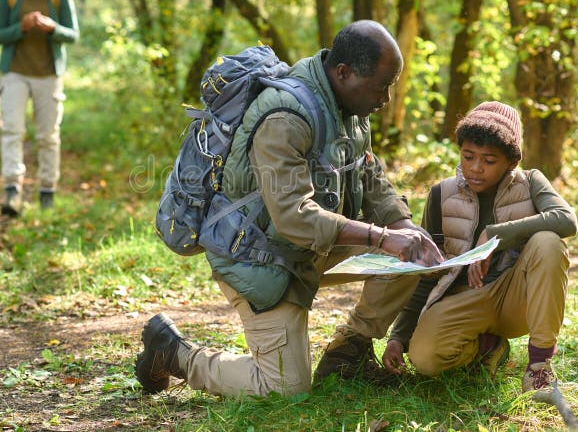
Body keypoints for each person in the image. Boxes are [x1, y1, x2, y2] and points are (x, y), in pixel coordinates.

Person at [135, 20, 443, 397]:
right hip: (259, 256)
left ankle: (348, 353)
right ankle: (174, 354)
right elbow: (294, 216)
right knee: (286, 388)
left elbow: (367, 172)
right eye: (381, 87)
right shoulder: (286, 117)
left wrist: (403, 225)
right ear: (343, 73)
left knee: (410, 254)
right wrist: (381, 237)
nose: (386, 100)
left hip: (307, 248)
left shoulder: (349, 106)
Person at [379, 101, 578, 392]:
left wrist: (494, 235)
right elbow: (427, 271)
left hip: (516, 298)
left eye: (488, 160)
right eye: (468, 156)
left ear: (511, 162)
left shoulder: (531, 182)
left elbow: (566, 220)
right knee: (424, 360)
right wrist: (399, 335)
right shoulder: (441, 195)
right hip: (464, 299)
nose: (475, 168)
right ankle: (488, 348)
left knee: (548, 241)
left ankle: (539, 366)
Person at [0, 0, 79, 216]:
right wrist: (22, 27)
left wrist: (52, 27)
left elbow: (73, 34)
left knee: (48, 136)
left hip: (48, 76)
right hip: (15, 73)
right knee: (12, 131)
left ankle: (47, 192)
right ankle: (12, 192)